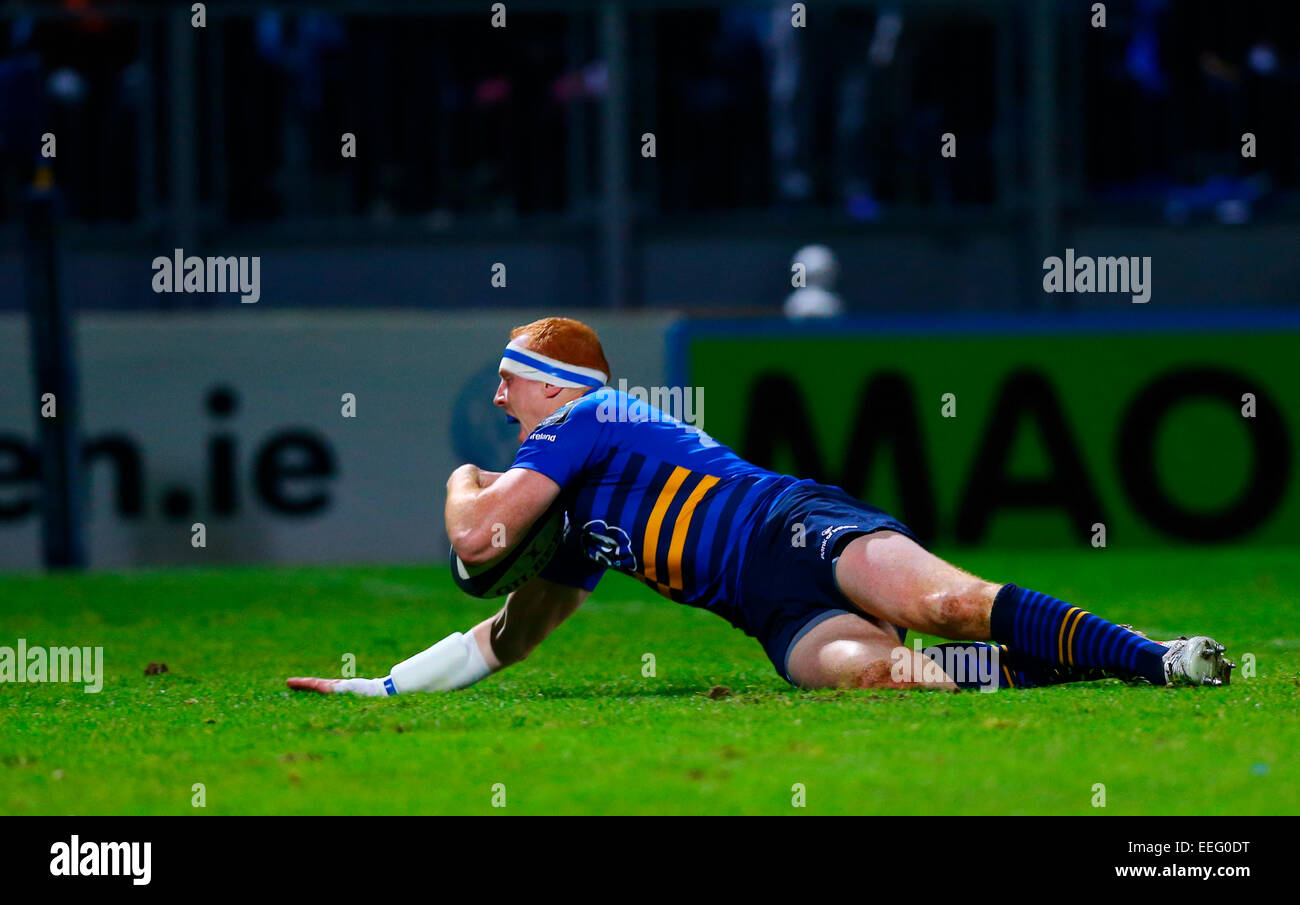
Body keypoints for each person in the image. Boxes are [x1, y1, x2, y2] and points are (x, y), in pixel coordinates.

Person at [289, 317, 1233, 697]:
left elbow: (476, 534)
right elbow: (508, 633)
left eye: (507, 382)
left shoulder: (590, 413)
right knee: (903, 676)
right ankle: (1107, 669)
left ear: (550, 384)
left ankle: (1157, 657)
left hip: (796, 527)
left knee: (948, 604)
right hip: (769, 610)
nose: (497, 399)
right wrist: (382, 688)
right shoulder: (573, 511)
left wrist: (461, 473)